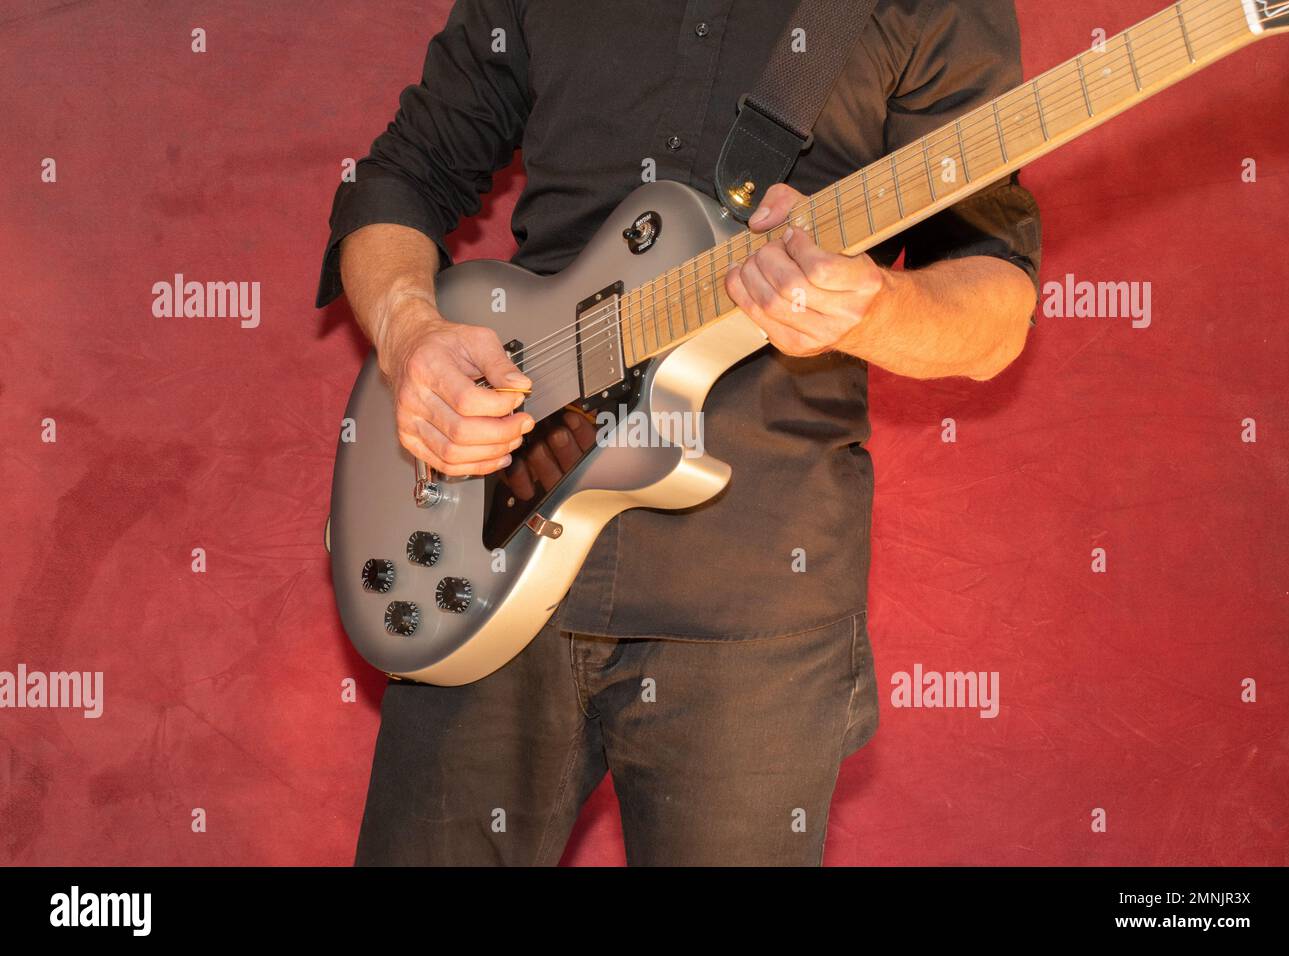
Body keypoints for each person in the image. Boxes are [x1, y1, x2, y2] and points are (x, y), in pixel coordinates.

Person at [315, 0, 1042, 866]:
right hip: (486, 546)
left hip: (754, 601)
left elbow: (995, 305)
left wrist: (878, 310)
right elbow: (401, 175)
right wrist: (408, 332)